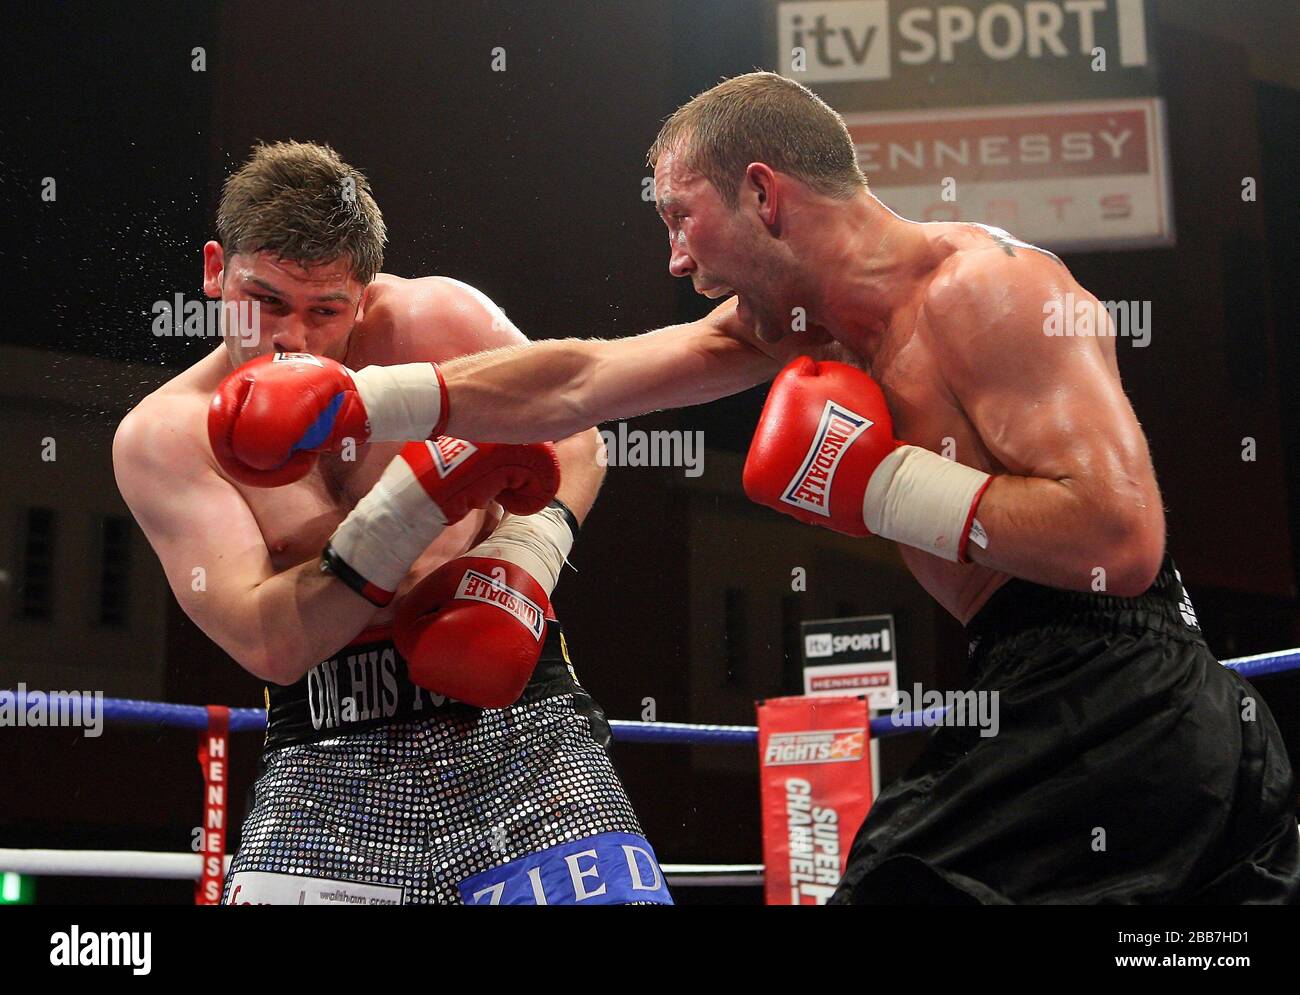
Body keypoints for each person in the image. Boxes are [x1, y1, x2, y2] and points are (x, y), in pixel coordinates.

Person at [227, 74, 1300, 904]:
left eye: (682, 217)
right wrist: (365, 398)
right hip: (1085, 702)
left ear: (762, 193)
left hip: (1125, 696)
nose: (676, 260)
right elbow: (581, 377)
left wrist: (876, 483)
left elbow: (1120, 535)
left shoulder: (987, 291)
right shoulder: (796, 323)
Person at [113, 140, 672, 905]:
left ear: (365, 295)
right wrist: (418, 501)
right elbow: (268, 639)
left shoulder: (437, 321)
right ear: (215, 270)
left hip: (519, 726)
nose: (292, 339)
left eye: (325, 311)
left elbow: (575, 432)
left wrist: (520, 558)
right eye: (265, 300)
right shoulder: (167, 436)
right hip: (325, 755)